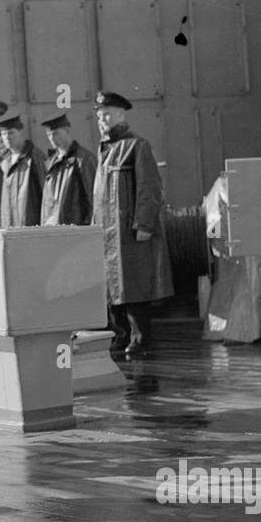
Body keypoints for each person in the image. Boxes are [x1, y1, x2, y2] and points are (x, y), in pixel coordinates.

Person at [91, 91, 174, 359]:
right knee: (113, 288)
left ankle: (140, 338)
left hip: (127, 231)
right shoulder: (105, 149)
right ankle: (121, 334)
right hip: (107, 234)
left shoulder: (137, 146)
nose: (102, 120)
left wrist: (143, 224)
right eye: (99, 115)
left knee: (134, 285)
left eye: (107, 114)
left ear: (120, 115)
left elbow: (149, 187)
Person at [39, 112, 98, 225]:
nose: (52, 138)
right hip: (53, 229)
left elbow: (93, 197)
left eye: (56, 133)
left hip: (76, 229)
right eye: (49, 135)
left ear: (67, 130)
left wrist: (90, 227)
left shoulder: (84, 159)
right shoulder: (50, 163)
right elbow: (47, 202)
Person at [0, 114, 46, 227]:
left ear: (21, 132)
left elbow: (45, 193)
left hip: (31, 226)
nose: (7, 137)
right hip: (10, 226)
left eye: (11, 132)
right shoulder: (5, 162)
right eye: (3, 134)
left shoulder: (35, 157)